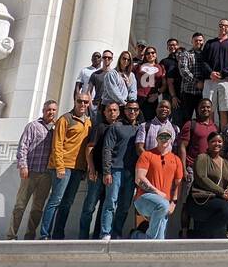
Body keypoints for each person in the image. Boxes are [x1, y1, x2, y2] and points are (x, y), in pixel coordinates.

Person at [40, 93, 94, 239]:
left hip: (78, 168)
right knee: (55, 200)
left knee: (67, 203)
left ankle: (58, 234)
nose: (82, 104)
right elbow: (57, 144)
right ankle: (44, 234)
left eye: (85, 102)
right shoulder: (65, 119)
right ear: (75, 101)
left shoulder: (89, 122)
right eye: (80, 101)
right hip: (63, 166)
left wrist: (85, 168)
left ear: (89, 103)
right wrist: (59, 166)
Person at [8, 99, 57, 240]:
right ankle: (11, 235)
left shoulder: (56, 129)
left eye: (54, 110)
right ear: (43, 110)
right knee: (20, 205)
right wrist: (23, 166)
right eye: (49, 109)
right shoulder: (33, 126)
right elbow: (23, 146)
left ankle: (30, 235)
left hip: (46, 174)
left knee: (37, 208)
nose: (51, 112)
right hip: (31, 171)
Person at [73, 100, 120, 239]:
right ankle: (83, 237)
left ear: (118, 112)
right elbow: (89, 148)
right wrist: (91, 169)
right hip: (97, 173)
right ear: (104, 113)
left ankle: (99, 236)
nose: (112, 112)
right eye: (109, 110)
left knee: (105, 208)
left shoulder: (119, 128)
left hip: (112, 176)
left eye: (114, 110)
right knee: (89, 207)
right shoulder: (99, 127)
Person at [99, 101, 142, 240]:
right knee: (111, 202)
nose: (132, 112)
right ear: (125, 110)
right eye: (130, 109)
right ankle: (105, 232)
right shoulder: (116, 126)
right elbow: (107, 149)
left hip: (131, 172)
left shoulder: (140, 129)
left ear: (138, 111)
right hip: (116, 170)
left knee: (124, 206)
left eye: (135, 109)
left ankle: (116, 232)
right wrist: (107, 171)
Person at [177, 97, 217, 236]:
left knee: (204, 202)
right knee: (187, 203)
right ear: (197, 109)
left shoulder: (214, 127)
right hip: (191, 169)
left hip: (208, 172)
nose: (205, 109)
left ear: (211, 109)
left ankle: (200, 232)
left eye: (208, 107)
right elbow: (182, 146)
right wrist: (183, 169)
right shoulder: (190, 124)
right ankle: (184, 232)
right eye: (202, 107)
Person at [133, 128, 183, 239]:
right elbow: (139, 179)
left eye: (167, 136)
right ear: (156, 139)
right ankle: (146, 236)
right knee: (163, 204)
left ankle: (137, 236)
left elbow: (178, 184)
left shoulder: (176, 159)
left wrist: (173, 203)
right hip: (144, 198)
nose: (164, 139)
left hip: (164, 204)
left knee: (159, 242)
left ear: (171, 140)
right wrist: (157, 192)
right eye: (161, 136)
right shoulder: (147, 155)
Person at [188, 132, 228, 238]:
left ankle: (200, 234)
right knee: (227, 210)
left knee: (227, 211)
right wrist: (222, 192)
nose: (217, 144)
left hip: (218, 199)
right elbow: (201, 178)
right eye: (213, 141)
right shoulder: (202, 158)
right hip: (201, 200)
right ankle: (200, 234)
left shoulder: (226, 163)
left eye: (219, 141)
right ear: (208, 143)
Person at [202, 18, 228, 129]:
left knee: (224, 109)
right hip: (210, 80)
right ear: (218, 27)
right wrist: (211, 73)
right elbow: (203, 60)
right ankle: (210, 132)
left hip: (226, 80)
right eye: (221, 25)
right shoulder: (210, 43)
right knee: (209, 108)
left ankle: (223, 135)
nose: (223, 27)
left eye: (226, 25)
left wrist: (223, 73)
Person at [174, 33, 206, 126]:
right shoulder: (186, 54)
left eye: (200, 40)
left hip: (202, 93)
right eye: (196, 40)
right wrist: (196, 82)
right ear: (192, 41)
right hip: (188, 92)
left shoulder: (206, 55)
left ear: (203, 41)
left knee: (201, 118)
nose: (198, 42)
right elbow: (183, 70)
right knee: (186, 119)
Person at [135, 45, 166, 121]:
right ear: (145, 55)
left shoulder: (161, 67)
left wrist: (157, 94)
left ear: (156, 54)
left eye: (153, 52)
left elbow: (165, 85)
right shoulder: (138, 67)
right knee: (137, 121)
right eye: (148, 53)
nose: (150, 55)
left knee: (150, 122)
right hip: (138, 97)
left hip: (152, 98)